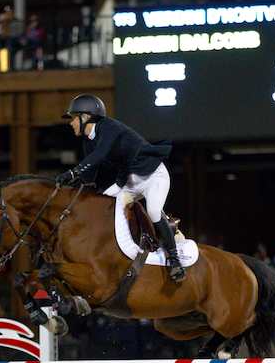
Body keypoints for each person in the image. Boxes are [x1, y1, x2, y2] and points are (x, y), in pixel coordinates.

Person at [56, 94, 184, 282]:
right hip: (130, 181)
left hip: (153, 176)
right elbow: (89, 177)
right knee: (104, 204)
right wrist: (70, 192)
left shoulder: (109, 126)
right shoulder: (88, 143)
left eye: (73, 118)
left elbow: (100, 155)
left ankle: (174, 259)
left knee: (154, 210)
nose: (71, 123)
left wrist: (72, 172)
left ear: (85, 117)